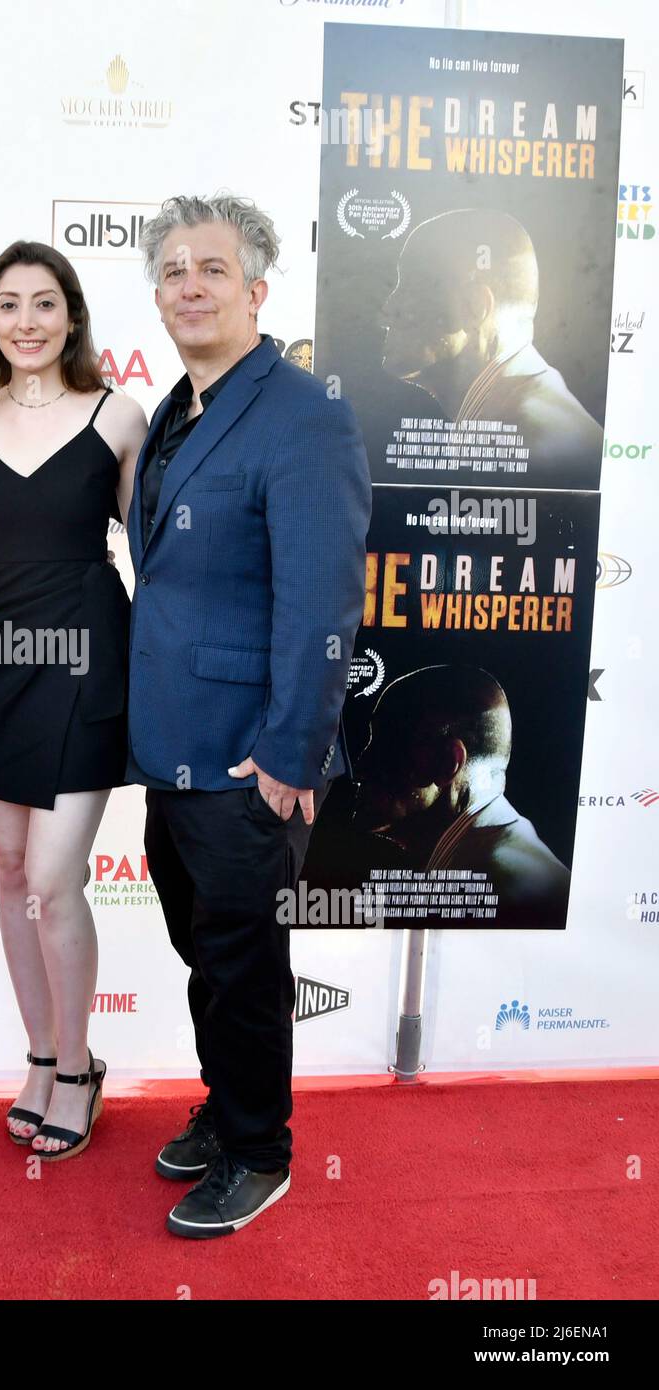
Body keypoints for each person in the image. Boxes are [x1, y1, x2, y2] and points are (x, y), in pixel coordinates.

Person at [127, 194, 371, 1238]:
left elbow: (321, 601)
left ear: (256, 290)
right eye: (174, 269)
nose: (190, 285)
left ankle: (259, 1149)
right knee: (205, 949)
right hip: (170, 743)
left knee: (244, 960)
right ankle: (227, 1110)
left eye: (212, 269)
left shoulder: (302, 411)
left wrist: (289, 753)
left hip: (245, 755)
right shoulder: (178, 409)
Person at [0, 241, 147, 1159]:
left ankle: (77, 1067)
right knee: (8, 871)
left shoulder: (118, 417)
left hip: (83, 658)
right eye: (7, 305)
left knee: (54, 879)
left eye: (43, 303)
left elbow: (156, 561)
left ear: (71, 316)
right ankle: (38, 1055)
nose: (25, 321)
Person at [380, 209, 602, 485]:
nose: (387, 311)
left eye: (409, 290)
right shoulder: (517, 420)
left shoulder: (532, 442)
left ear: (474, 308)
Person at [351, 665, 570, 926]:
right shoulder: (490, 867)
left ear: (447, 763)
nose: (360, 767)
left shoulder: (507, 887)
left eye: (385, 744)